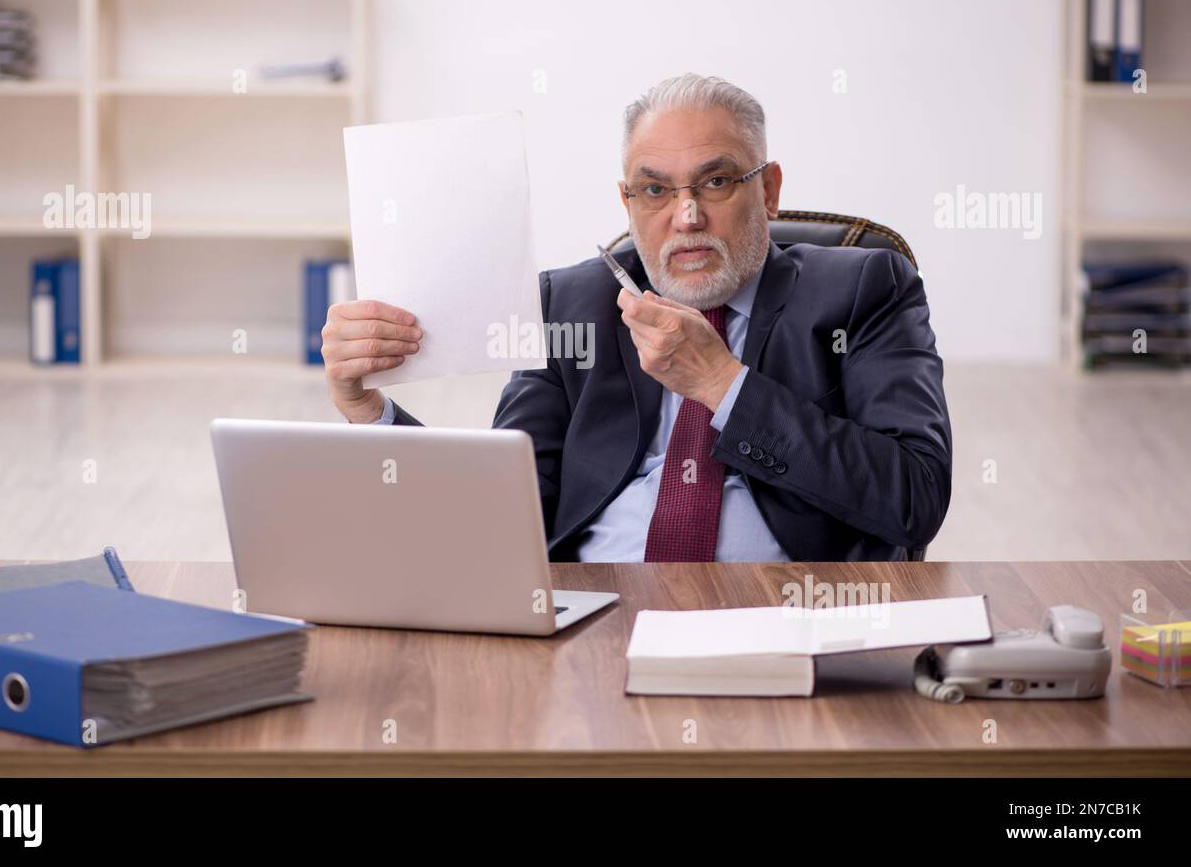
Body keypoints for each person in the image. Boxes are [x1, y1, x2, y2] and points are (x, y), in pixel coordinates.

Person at [321, 73, 952, 562]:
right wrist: (368, 412)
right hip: (600, 618)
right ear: (627, 203)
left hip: (786, 611)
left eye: (717, 182)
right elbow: (502, 517)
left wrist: (723, 386)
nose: (686, 218)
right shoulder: (572, 306)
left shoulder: (865, 286)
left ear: (769, 190)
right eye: (655, 190)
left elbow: (914, 497)